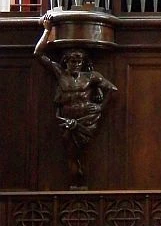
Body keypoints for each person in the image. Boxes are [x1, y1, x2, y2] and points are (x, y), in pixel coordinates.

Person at [34, 14, 117, 185]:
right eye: (72, 61)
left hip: (87, 119)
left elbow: (112, 90)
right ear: (66, 61)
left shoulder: (90, 76)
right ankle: (76, 181)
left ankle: (80, 181)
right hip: (66, 119)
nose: (76, 64)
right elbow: (38, 53)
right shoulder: (60, 73)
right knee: (71, 154)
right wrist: (47, 30)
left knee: (83, 153)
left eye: (79, 61)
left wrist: (100, 107)